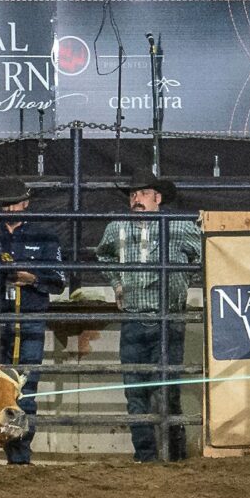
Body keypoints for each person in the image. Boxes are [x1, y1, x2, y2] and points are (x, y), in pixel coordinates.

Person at [95, 176, 200, 462]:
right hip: (134, 317)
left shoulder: (179, 226)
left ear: (157, 198)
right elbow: (103, 256)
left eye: (142, 193)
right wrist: (117, 283)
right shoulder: (117, 227)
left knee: (167, 391)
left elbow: (203, 255)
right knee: (136, 394)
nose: (136, 199)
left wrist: (182, 280)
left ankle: (174, 454)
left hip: (167, 317)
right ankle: (146, 455)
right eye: (132, 194)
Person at [0, 177, 64, 463]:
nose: (9, 209)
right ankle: (0, 449)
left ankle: (19, 454)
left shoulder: (44, 237)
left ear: (25, 203)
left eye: (13, 204)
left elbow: (59, 280)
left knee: (25, 386)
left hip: (29, 317)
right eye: (4, 204)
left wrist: (32, 278)